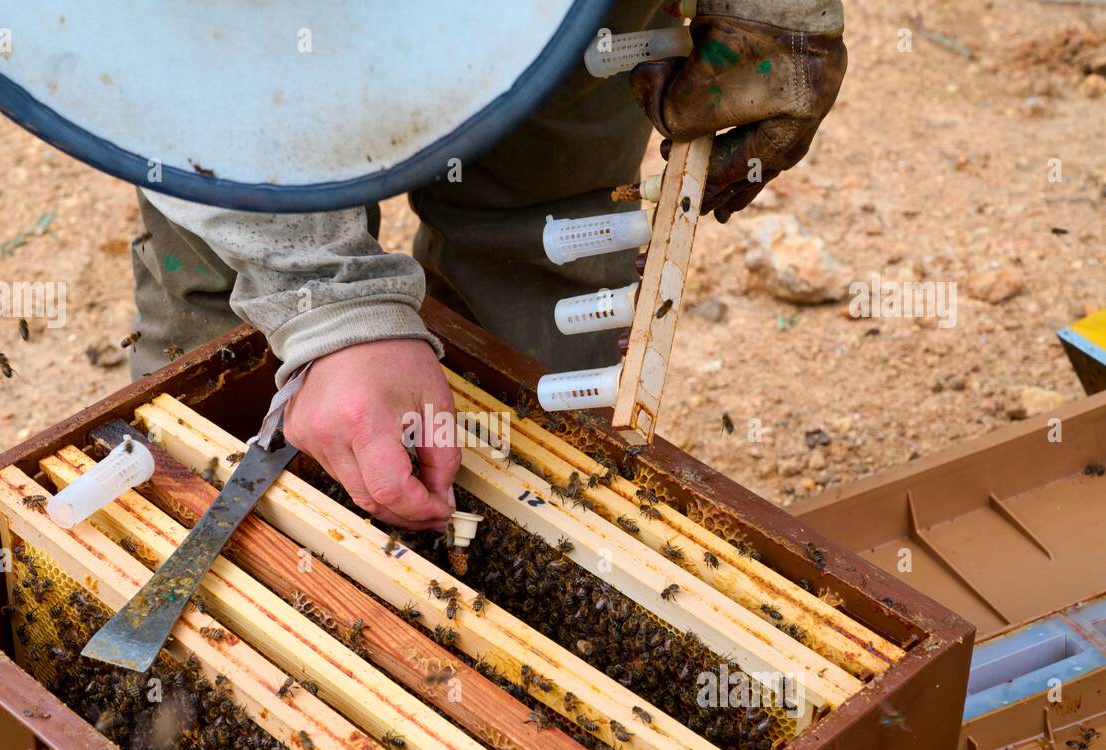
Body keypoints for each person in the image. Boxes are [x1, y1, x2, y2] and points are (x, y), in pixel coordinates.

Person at [128, 0, 845, 530]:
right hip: (228, 30)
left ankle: (500, 530)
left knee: (542, 245)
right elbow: (194, 65)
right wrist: (322, 305)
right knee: (228, 318)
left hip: (560, 16)